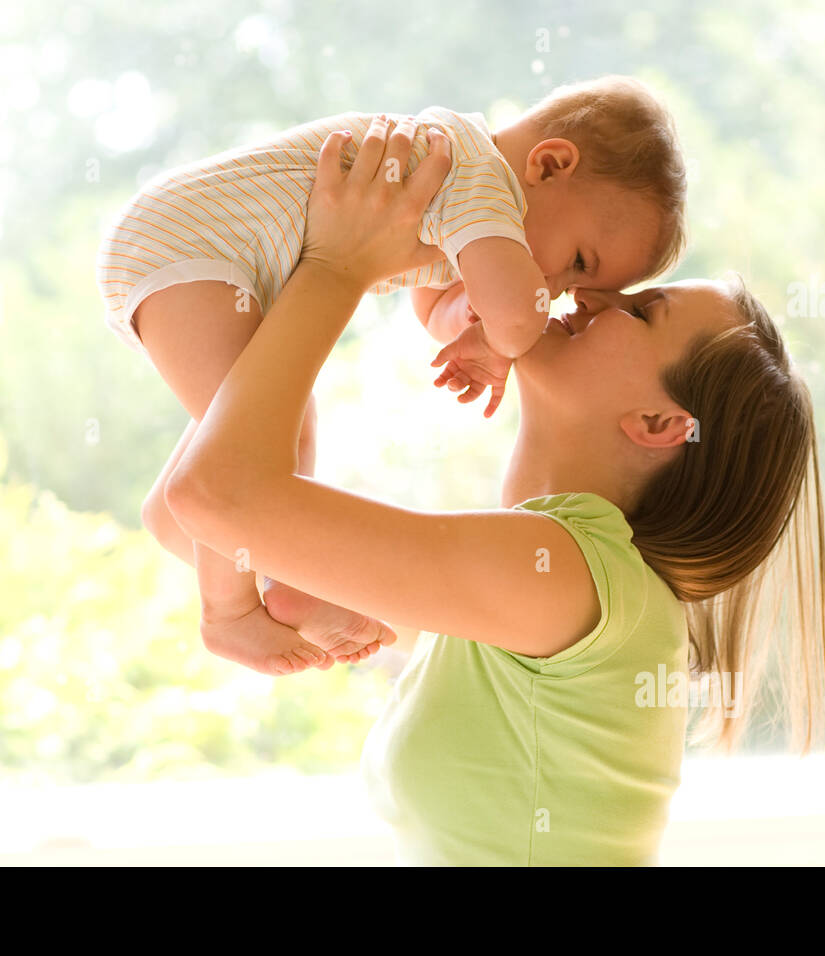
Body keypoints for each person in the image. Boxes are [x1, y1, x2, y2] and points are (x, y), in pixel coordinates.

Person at [157, 119, 825, 865]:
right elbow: (185, 517)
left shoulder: (568, 575)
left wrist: (338, 266)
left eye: (639, 311)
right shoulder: (560, 581)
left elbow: (213, 497)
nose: (587, 297)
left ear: (657, 422)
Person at [99, 77, 688, 675]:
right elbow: (516, 313)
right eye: (578, 264)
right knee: (273, 441)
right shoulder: (481, 177)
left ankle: (190, 533)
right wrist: (503, 332)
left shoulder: (458, 183)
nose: (558, 294)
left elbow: (435, 305)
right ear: (551, 163)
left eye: (576, 289)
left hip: (184, 253)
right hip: (197, 252)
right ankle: (232, 610)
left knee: (257, 422)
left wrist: (472, 325)